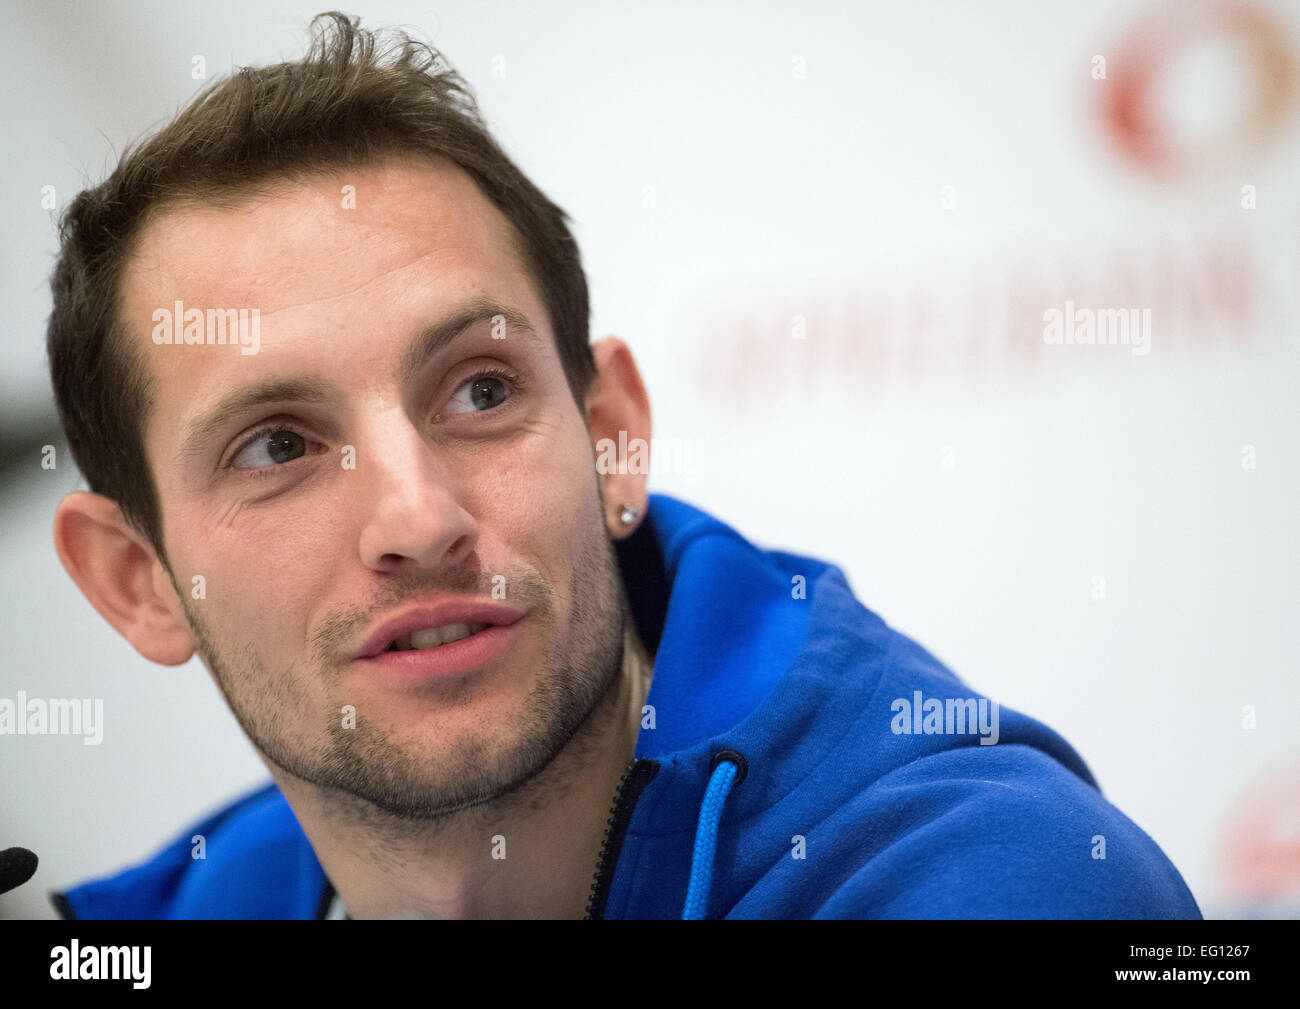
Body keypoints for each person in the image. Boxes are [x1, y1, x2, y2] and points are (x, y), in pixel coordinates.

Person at [44, 12, 1200, 920]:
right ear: (137, 582)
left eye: (480, 390)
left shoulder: (989, 885)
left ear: (611, 438)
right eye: (279, 446)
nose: (418, 516)